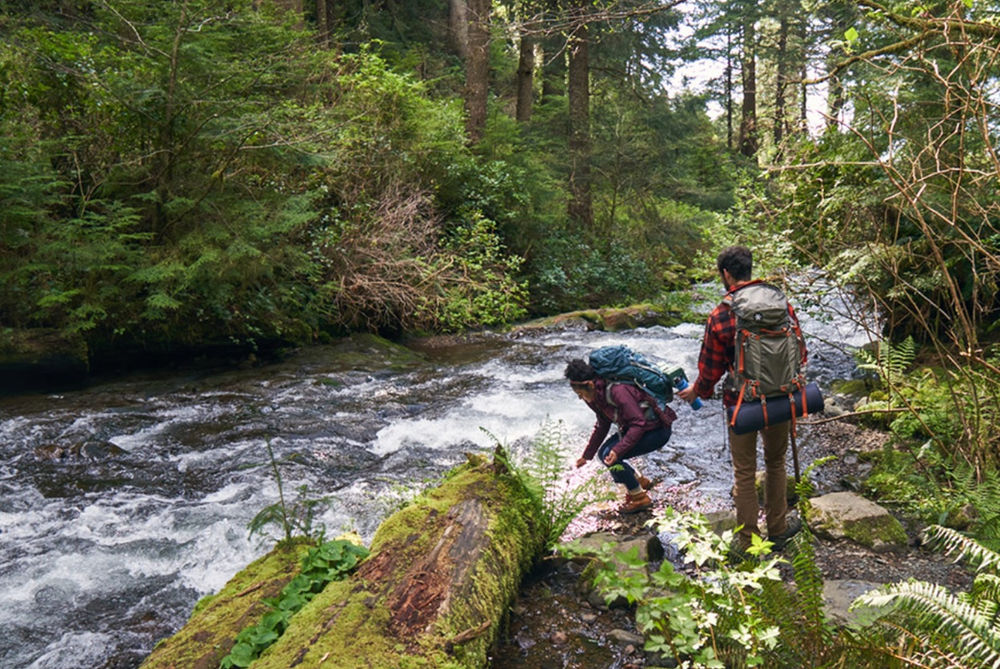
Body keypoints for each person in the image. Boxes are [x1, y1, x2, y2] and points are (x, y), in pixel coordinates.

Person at [676, 245, 803, 553]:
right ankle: (778, 529)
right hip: (782, 398)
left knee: (744, 473)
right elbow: (802, 353)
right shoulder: (781, 305)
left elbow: (710, 369)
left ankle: (747, 541)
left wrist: (697, 391)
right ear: (750, 268)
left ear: (726, 274)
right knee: (776, 463)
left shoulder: (721, 314)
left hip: (742, 404)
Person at [565, 359, 677, 514]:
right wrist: (586, 455)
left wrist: (618, 450)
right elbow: (602, 424)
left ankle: (639, 498)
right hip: (638, 428)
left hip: (657, 431)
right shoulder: (595, 396)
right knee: (603, 454)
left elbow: (639, 423)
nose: (581, 398)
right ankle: (639, 481)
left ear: (590, 385)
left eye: (580, 394)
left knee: (612, 457)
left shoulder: (618, 391)